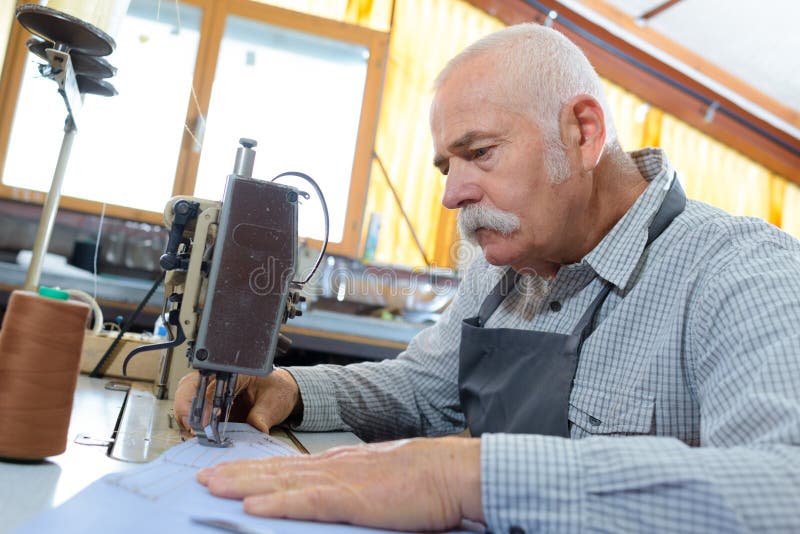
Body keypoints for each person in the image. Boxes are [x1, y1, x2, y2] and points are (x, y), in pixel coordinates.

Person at [175, 23, 800, 533]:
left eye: (479, 153)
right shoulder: (504, 264)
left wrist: (461, 478)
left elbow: (784, 488)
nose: (452, 195)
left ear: (583, 133)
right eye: (446, 167)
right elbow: (423, 391)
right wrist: (291, 389)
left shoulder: (741, 271)